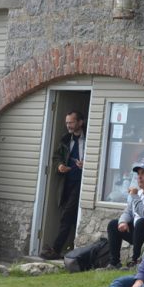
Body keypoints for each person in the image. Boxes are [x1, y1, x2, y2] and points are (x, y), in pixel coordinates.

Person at [105, 159, 144, 269]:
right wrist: (123, 222)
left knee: (141, 222)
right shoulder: (140, 193)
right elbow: (128, 210)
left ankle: (136, 261)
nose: (139, 177)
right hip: (135, 231)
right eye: (138, 174)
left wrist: (134, 196)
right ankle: (114, 262)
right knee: (113, 224)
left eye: (143, 174)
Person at [41, 110, 85, 260]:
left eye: (71, 122)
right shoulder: (66, 139)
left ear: (80, 122)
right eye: (67, 123)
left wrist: (85, 165)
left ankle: (56, 249)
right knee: (69, 217)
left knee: (67, 216)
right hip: (66, 182)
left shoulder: (88, 139)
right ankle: (72, 249)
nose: (69, 126)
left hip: (81, 183)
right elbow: (57, 156)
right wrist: (60, 165)